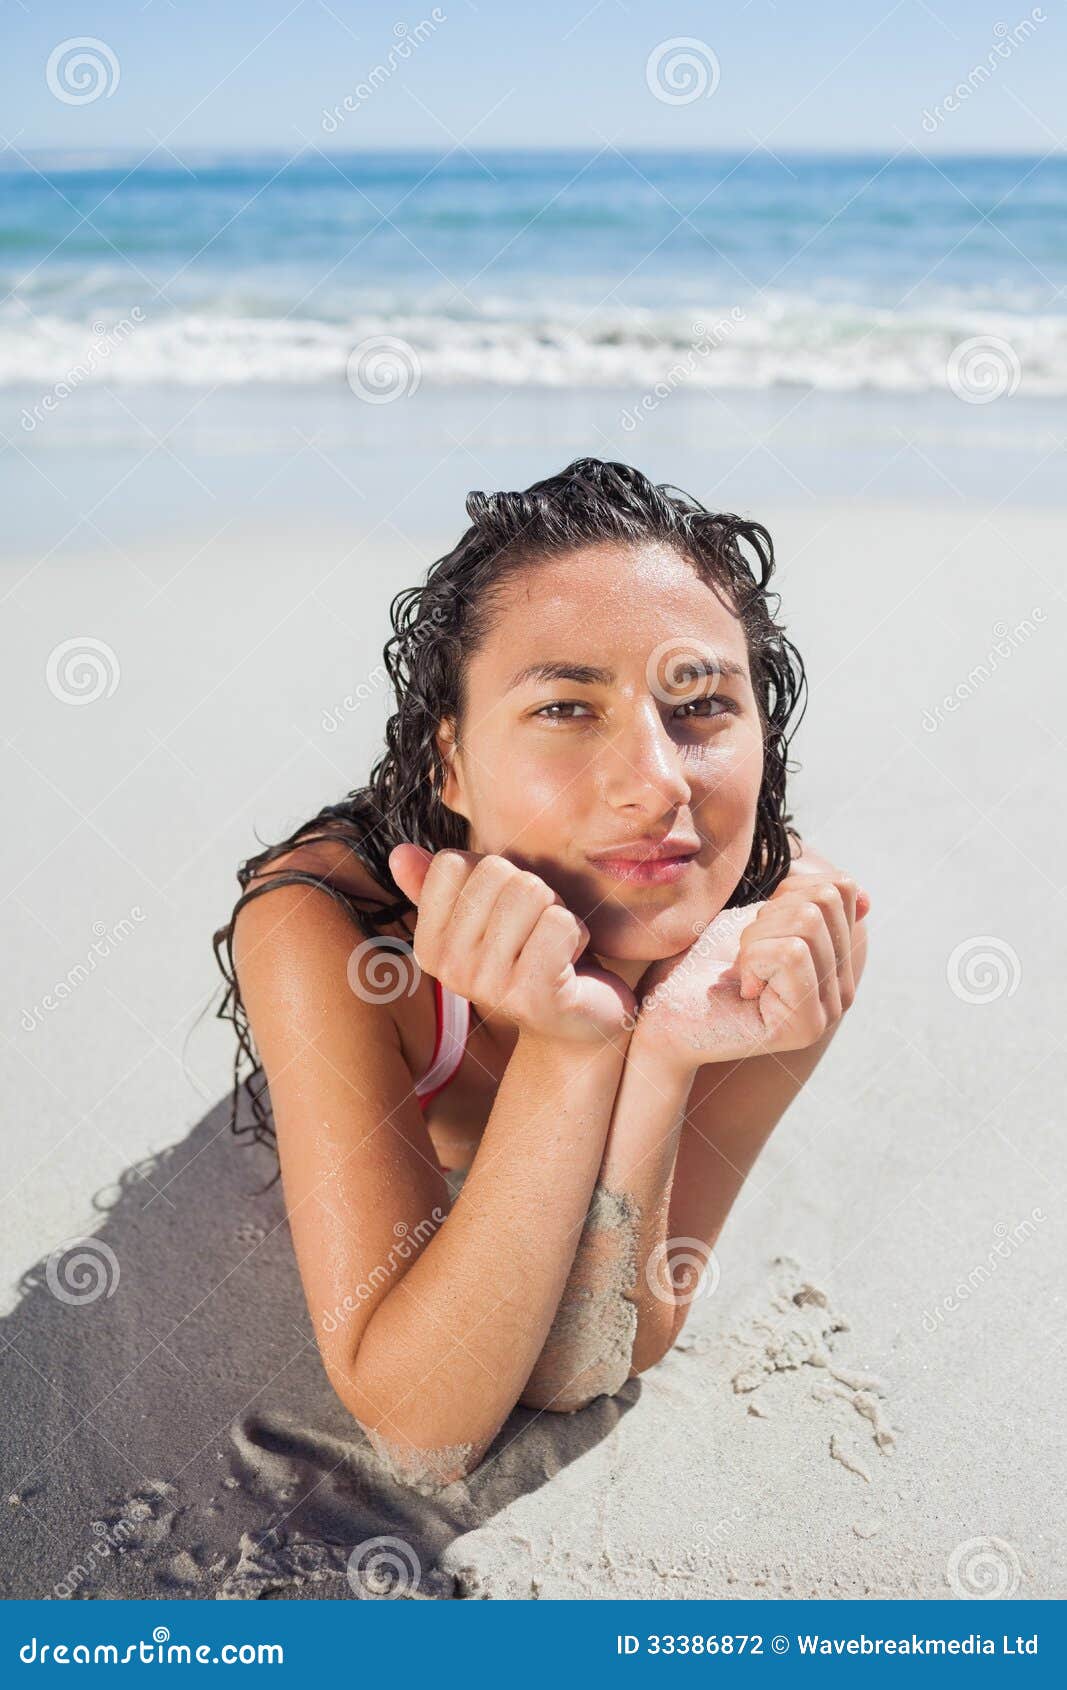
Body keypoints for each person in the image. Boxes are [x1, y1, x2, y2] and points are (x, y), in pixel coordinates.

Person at [214, 457, 870, 1491]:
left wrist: (652, 1060)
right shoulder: (331, 927)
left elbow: (604, 1354)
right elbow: (424, 1426)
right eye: (567, 707)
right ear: (451, 766)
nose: (656, 783)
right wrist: (571, 1052)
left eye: (700, 705)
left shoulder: (779, 937)